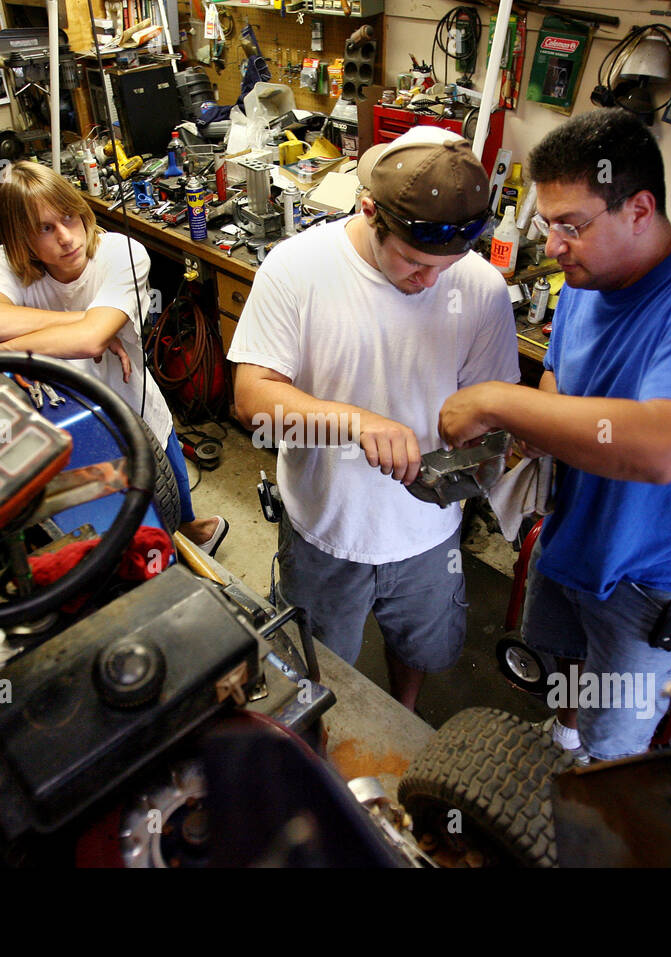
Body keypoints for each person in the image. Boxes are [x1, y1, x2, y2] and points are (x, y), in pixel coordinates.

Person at [438, 109, 671, 762]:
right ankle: (563, 742)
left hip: (650, 573)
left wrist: (494, 402)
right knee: (565, 671)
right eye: (547, 224)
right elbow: (562, 382)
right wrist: (523, 435)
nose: (555, 244)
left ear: (641, 208)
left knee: (612, 740)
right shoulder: (586, 282)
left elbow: (662, 447)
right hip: (575, 537)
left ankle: (594, 801)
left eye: (573, 225)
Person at [229, 127, 517, 711]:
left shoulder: (481, 288)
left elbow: (491, 402)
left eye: (448, 265)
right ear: (369, 212)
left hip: (429, 532)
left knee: (422, 648)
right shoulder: (297, 269)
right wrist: (357, 422)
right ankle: (318, 741)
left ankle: (402, 713)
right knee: (311, 660)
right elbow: (252, 399)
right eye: (413, 262)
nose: (429, 282)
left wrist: (498, 436)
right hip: (326, 525)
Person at [0, 160, 228, 554]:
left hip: (133, 406)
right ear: (21, 240)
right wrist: (79, 321)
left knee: (169, 489)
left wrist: (0, 349)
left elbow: (89, 340)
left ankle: (187, 530)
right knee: (106, 517)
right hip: (64, 421)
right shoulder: (9, 262)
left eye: (69, 217)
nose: (67, 238)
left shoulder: (123, 253)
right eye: (44, 228)